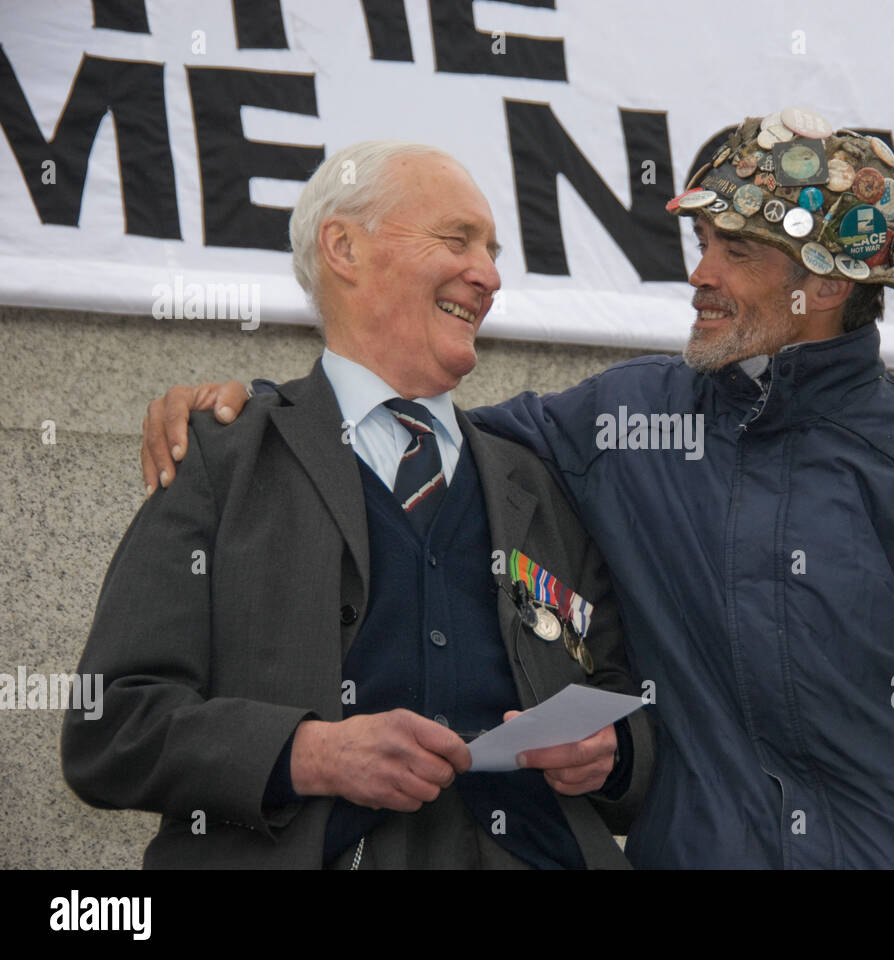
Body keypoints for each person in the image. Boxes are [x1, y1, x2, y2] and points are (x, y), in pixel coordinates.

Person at [139, 110, 894, 869]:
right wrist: (253, 412)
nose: (699, 275)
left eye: (735, 251)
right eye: (701, 245)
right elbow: (426, 436)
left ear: (823, 284)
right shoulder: (625, 419)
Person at [63, 141, 653, 869]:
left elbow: (628, 698)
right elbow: (108, 727)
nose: (490, 275)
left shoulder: (536, 481)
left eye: (493, 251)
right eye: (457, 239)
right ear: (343, 247)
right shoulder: (222, 458)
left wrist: (611, 753)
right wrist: (306, 754)